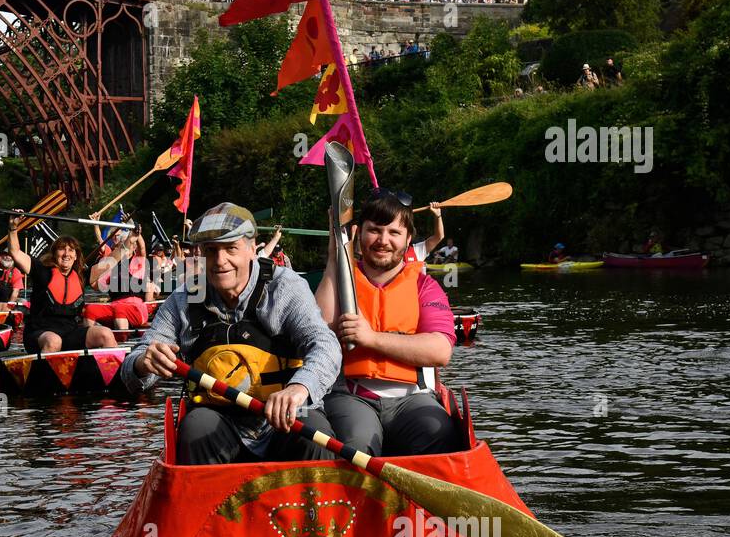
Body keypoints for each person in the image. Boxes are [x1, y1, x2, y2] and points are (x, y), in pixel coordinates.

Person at [119, 202, 342, 466]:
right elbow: (130, 372)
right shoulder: (183, 299)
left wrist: (299, 388)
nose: (220, 261)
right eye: (211, 251)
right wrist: (145, 363)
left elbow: (326, 346)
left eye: (230, 248)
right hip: (217, 416)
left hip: (289, 412)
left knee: (315, 435)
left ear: (251, 248)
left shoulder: (286, 287)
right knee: (196, 427)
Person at [315, 191, 462, 458]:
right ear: (359, 234)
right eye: (375, 230)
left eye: (394, 232)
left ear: (408, 240)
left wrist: (371, 339)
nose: (383, 241)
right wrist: (335, 258)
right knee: (356, 442)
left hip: (414, 399)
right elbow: (317, 335)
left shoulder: (424, 286)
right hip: (351, 396)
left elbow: (440, 351)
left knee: (438, 432)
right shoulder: (339, 280)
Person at [6, 217, 116, 353]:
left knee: (105, 334)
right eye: (62, 249)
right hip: (40, 332)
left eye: (71, 250)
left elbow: (111, 261)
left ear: (76, 256)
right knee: (54, 341)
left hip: (70, 332)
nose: (66, 254)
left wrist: (131, 241)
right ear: (54, 254)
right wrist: (13, 228)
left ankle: (115, 373)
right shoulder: (41, 270)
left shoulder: (81, 276)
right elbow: (15, 253)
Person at [85, 226, 154, 332]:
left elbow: (142, 248)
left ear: (134, 248)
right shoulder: (112, 267)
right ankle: (90, 338)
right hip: (115, 305)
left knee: (120, 309)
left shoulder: (138, 262)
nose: (123, 248)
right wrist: (89, 275)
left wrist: (136, 231)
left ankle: (121, 338)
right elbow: (95, 285)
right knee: (90, 309)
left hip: (136, 309)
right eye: (120, 246)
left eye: (128, 245)